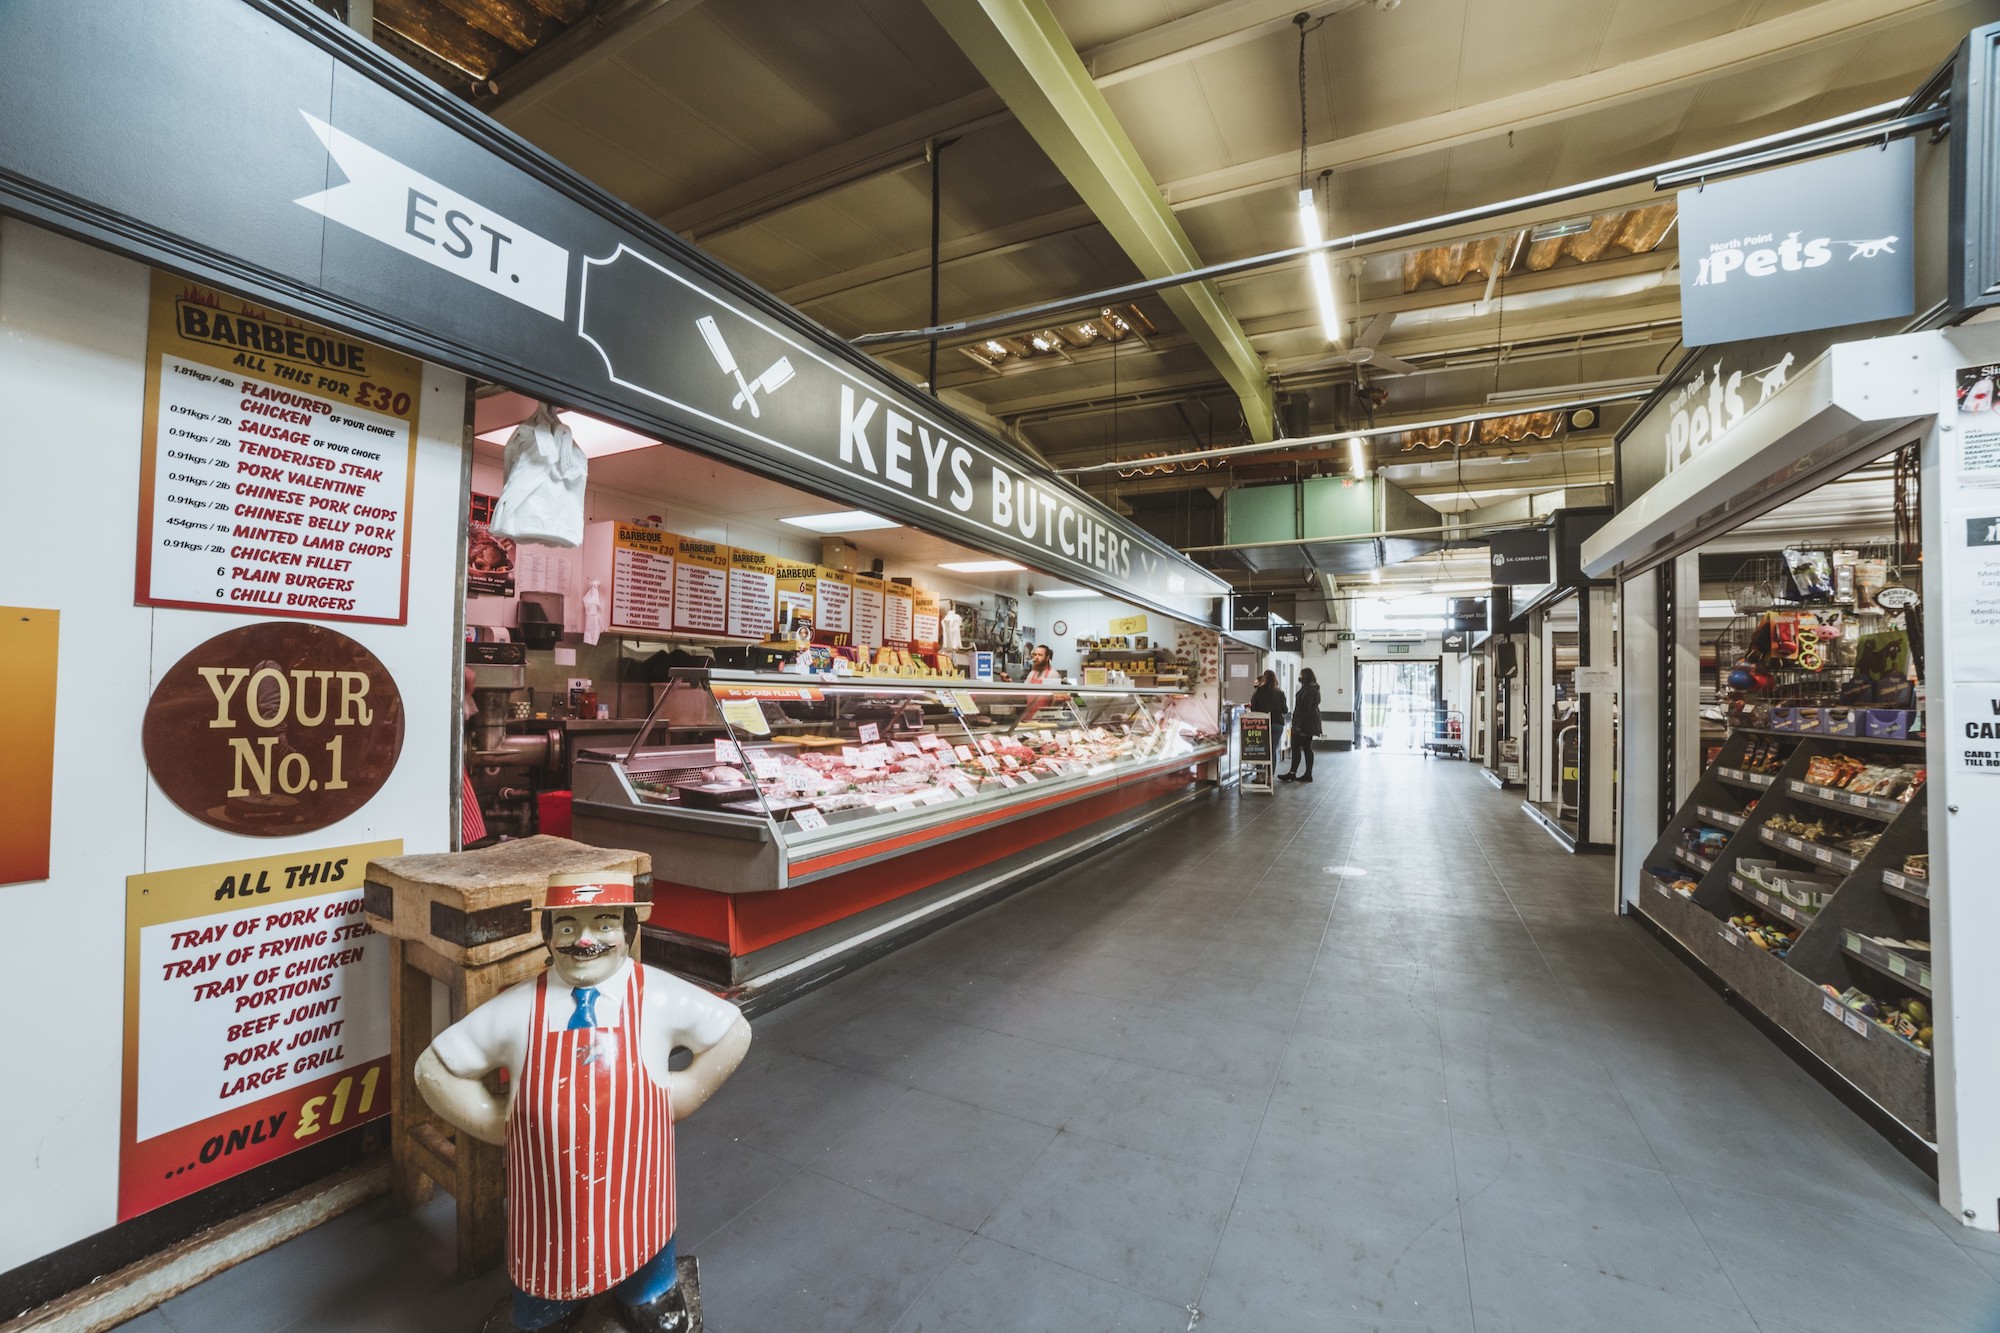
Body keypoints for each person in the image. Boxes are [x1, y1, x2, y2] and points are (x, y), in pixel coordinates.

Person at [416, 872, 753, 1333]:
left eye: (605, 923)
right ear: (548, 934)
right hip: (547, 1199)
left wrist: (682, 1095)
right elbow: (433, 1069)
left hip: (641, 1187)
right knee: (543, 1283)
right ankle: (545, 1305)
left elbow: (733, 1030)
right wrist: (499, 1123)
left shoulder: (656, 994)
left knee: (648, 1252)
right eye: (569, 926)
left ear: (628, 931)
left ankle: (649, 1290)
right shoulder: (518, 1007)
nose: (585, 940)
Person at [1279, 667, 1322, 783]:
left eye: (1301, 675)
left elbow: (1305, 709)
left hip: (1304, 724)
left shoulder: (1309, 689)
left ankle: (1296, 773)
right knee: (1306, 747)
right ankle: (1303, 773)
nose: (1299, 677)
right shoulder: (1312, 688)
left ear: (1306, 676)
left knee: (1298, 746)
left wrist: (1298, 724)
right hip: (1308, 723)